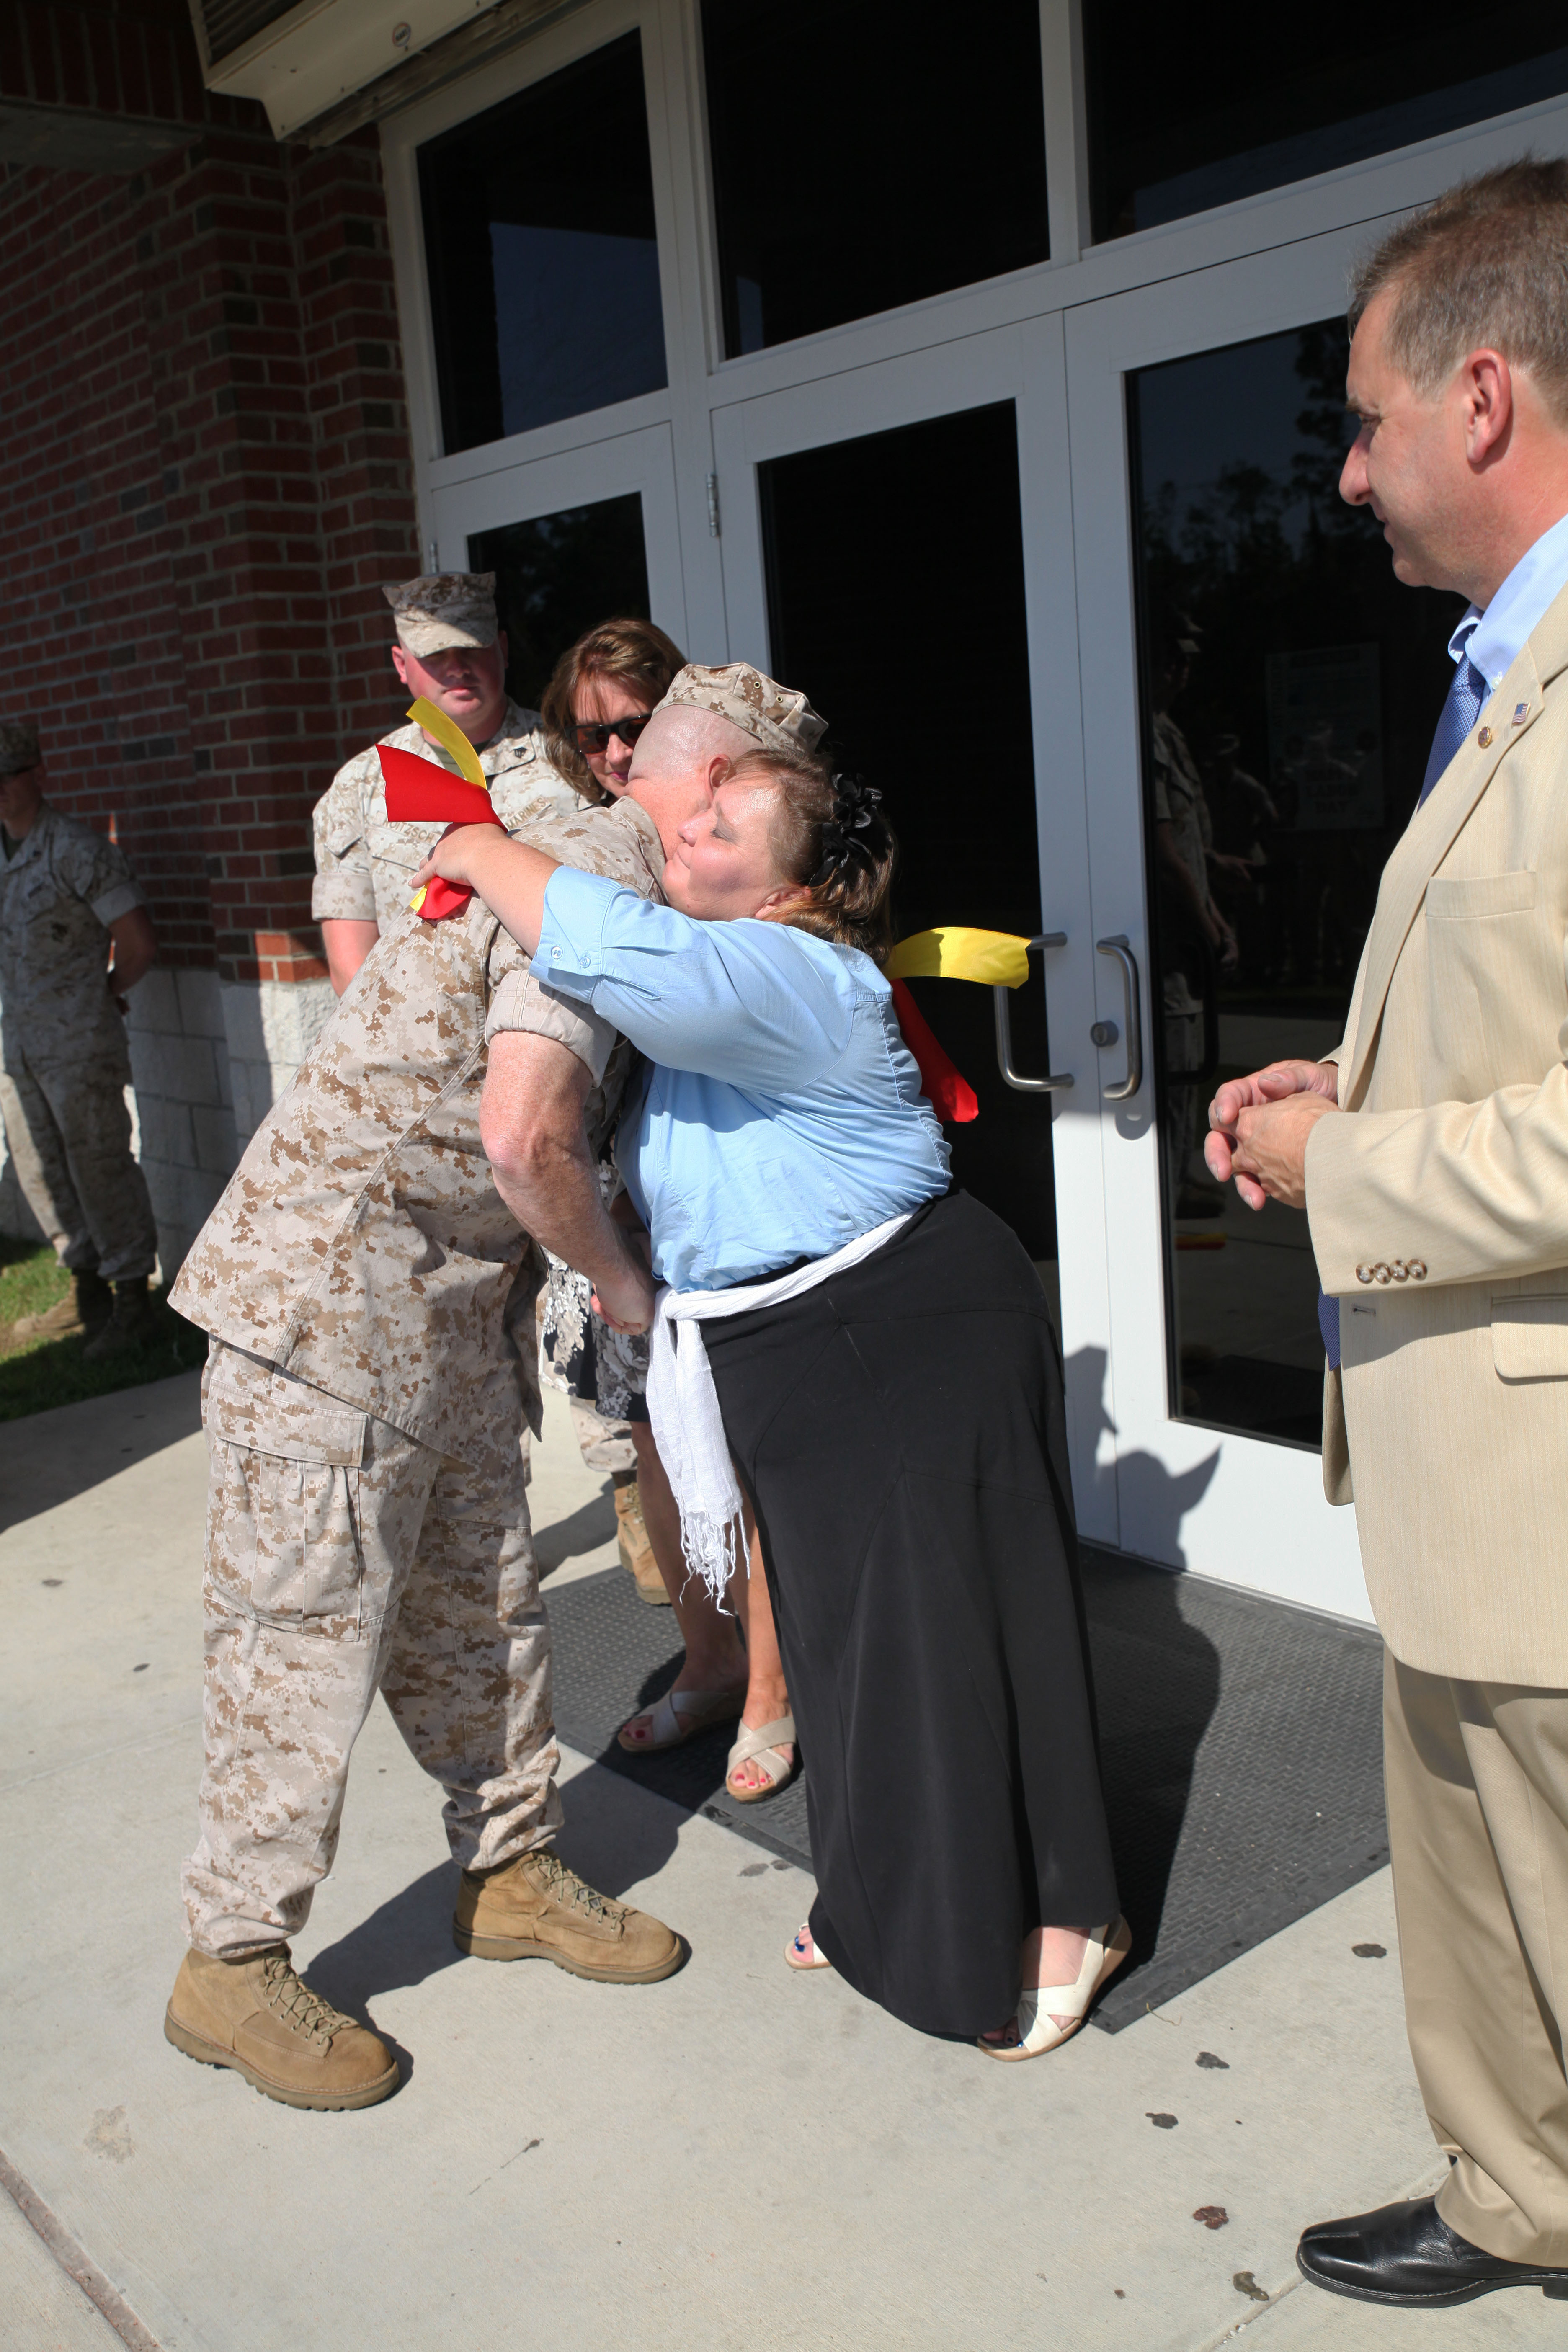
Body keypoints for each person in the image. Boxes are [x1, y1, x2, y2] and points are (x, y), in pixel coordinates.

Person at [410, 660, 1125, 2053]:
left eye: (735, 803)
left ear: (805, 863)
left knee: (961, 1644)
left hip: (901, 1330)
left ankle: (1054, 1910)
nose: (704, 811)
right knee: (859, 1661)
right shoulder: (722, 980)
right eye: (691, 800)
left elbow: (621, 948)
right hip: (791, 1348)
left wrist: (476, 842)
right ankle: (887, 1899)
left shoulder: (791, 971)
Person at [1207, 160, 1568, 2308]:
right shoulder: (1491, 668)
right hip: (1460, 1474)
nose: (1338, 473)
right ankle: (1513, 2192)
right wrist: (1350, 1098)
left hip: (1541, 1495)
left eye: (1359, 419)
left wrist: (1346, 1180)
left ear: (1486, 398)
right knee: (1469, 1893)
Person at [163, 779, 683, 2114]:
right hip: (328, 1317)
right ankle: (231, 1960)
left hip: (442, 1319)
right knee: (298, 1645)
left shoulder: (586, 855)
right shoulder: (600, 879)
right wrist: (632, 1301)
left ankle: (507, 1874)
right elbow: (527, 1140)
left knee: (481, 1611)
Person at [540, 620, 799, 1803]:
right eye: (589, 731)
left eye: (631, 727)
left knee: (746, 1452)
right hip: (607, 1205)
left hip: (710, 1188)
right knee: (655, 1442)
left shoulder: (717, 846)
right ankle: (707, 1663)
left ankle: (772, 1689)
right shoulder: (585, 846)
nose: (608, 752)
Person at [310, 570, 576, 993]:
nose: (456, 666)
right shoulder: (359, 788)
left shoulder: (572, 757)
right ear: (401, 664)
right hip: (420, 1046)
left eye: (471, 646)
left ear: (503, 649)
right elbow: (352, 971)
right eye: (436, 653)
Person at [0, 719, 160, 1356]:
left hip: (79, 1047)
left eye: (9, 776)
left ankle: (132, 1301)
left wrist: (105, 993)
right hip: (20, 1049)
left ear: (38, 774)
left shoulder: (76, 850)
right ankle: (84, 1287)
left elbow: (141, 942)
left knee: (100, 1167)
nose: (0, 791)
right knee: (40, 1168)